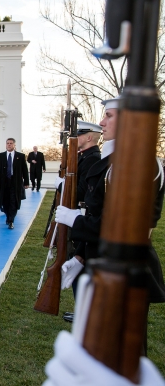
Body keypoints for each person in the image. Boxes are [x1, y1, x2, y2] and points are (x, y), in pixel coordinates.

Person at [55, 98, 165, 334]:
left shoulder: (137, 164)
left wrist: (75, 220)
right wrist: (81, 257)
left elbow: (118, 227)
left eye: (110, 116)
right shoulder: (116, 162)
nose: (102, 122)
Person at [56, 120, 102, 323]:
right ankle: (82, 311)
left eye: (80, 134)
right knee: (77, 262)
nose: (76, 138)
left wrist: (63, 185)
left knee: (80, 264)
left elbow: (81, 191)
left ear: (90, 136)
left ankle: (84, 313)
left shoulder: (93, 159)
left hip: (84, 219)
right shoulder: (85, 157)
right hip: (80, 219)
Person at [0, 138, 29, 229]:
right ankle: (8, 216)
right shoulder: (0, 156)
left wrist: (26, 182)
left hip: (15, 182)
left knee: (14, 201)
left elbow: (24, 170)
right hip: (3, 183)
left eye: (11, 143)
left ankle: (11, 220)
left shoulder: (20, 156)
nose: (9, 145)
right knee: (5, 202)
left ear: (14, 145)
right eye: (7, 143)